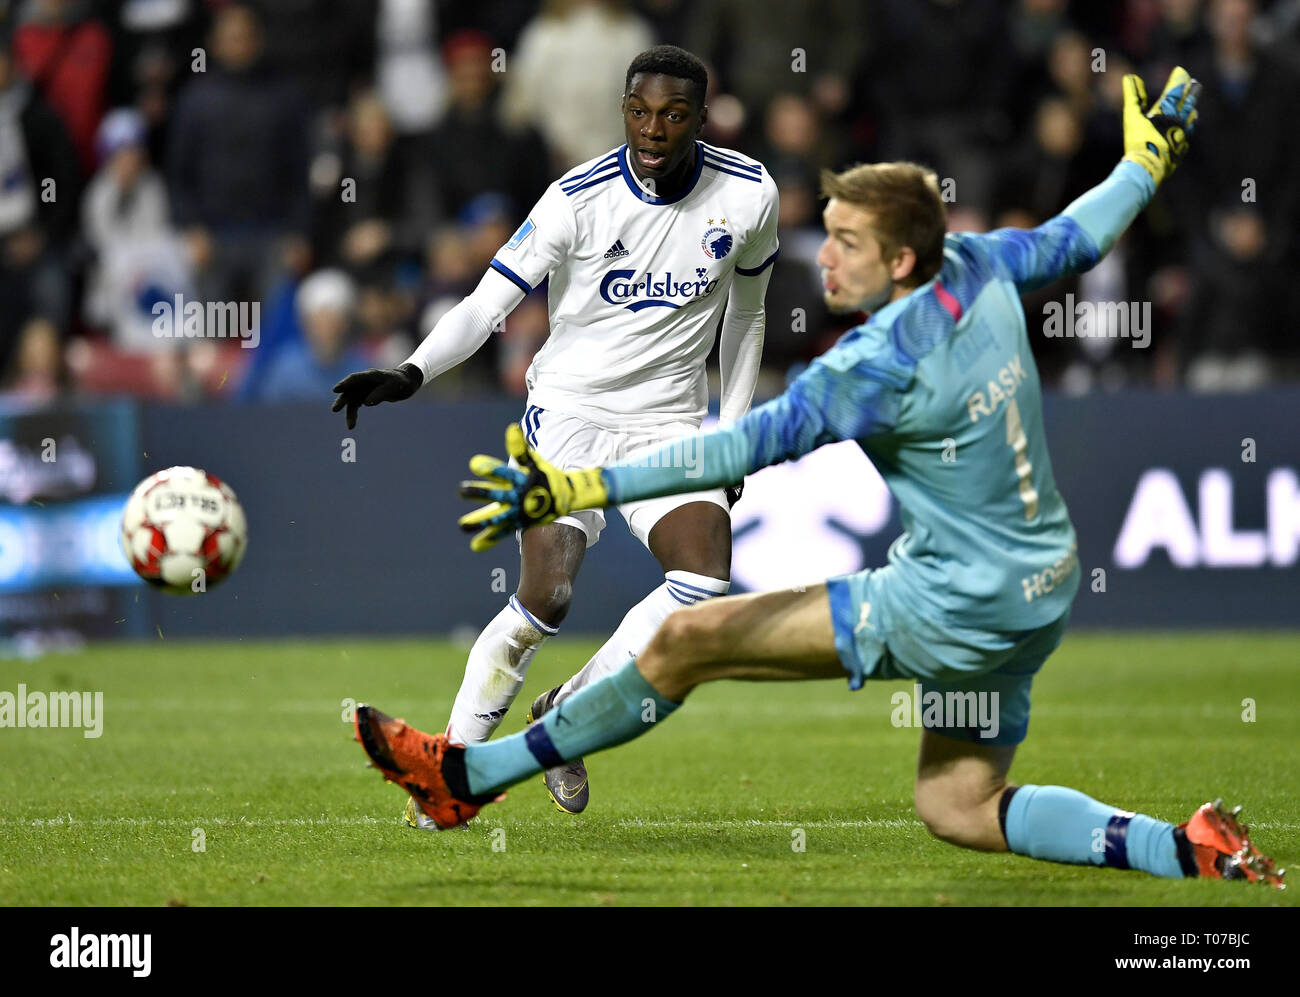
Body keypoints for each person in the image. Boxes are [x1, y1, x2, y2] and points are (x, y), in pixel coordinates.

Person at [352, 68, 1283, 888]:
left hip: (943, 598)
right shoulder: (987, 264)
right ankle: (1188, 847)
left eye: (844, 242)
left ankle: (464, 777)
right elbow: (1081, 234)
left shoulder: (867, 366)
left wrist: (574, 491)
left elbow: (725, 453)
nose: (821, 253)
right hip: (1038, 590)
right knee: (960, 805)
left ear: (902, 260)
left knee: (684, 643)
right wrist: (1146, 166)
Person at [333, 45, 779, 820]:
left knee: (702, 580)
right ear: (623, 111)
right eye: (639, 111)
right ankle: (451, 770)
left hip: (670, 422)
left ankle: (562, 717)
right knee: (548, 594)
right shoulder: (577, 198)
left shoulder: (748, 195)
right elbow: (485, 304)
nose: (653, 128)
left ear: (701, 120)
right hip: (568, 414)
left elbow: (748, 315)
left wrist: (731, 431)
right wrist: (411, 370)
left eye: (674, 115)